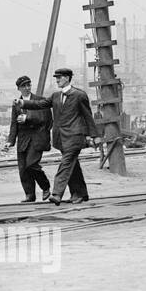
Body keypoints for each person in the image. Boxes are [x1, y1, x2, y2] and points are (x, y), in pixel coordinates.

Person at [18, 67, 100, 205]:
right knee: (73, 166)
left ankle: (57, 193)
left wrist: (94, 135)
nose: (57, 80)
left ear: (67, 78)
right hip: (61, 138)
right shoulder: (56, 96)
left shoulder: (79, 95)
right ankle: (80, 193)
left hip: (75, 136)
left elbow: (88, 116)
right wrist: (24, 103)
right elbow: (41, 104)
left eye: (59, 77)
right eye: (56, 77)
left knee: (66, 163)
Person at [5, 75, 52, 203]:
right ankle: (30, 195)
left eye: (29, 85)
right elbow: (14, 124)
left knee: (31, 164)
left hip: (38, 138)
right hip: (23, 140)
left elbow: (47, 120)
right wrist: (10, 141)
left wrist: (28, 118)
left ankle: (45, 187)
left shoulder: (40, 100)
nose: (27, 88)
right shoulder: (16, 104)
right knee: (23, 169)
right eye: (24, 86)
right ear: (19, 88)